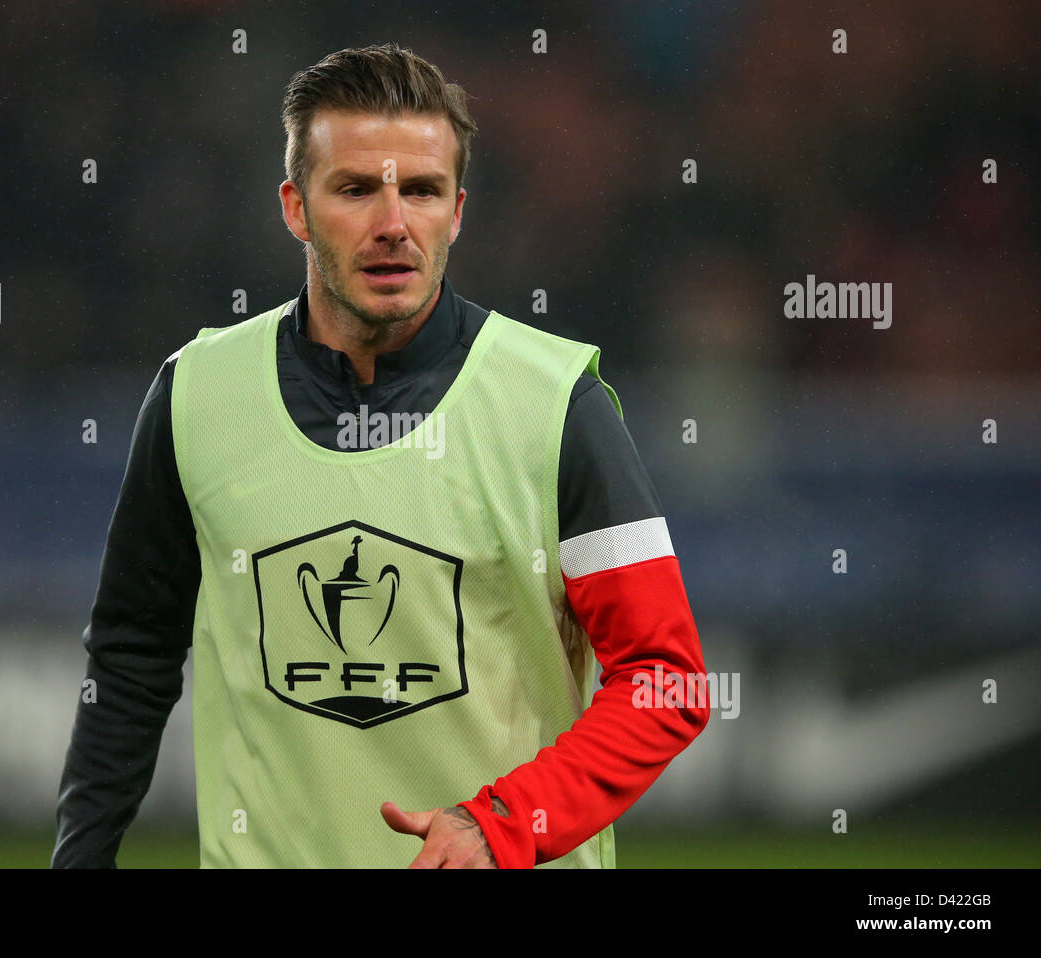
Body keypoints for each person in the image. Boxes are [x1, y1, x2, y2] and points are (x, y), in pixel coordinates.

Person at [52, 42, 708, 869]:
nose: (393, 224)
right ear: (296, 208)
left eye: (422, 191)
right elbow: (131, 652)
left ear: (457, 212)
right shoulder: (195, 396)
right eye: (357, 189)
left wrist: (502, 823)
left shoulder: (556, 407)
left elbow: (666, 680)